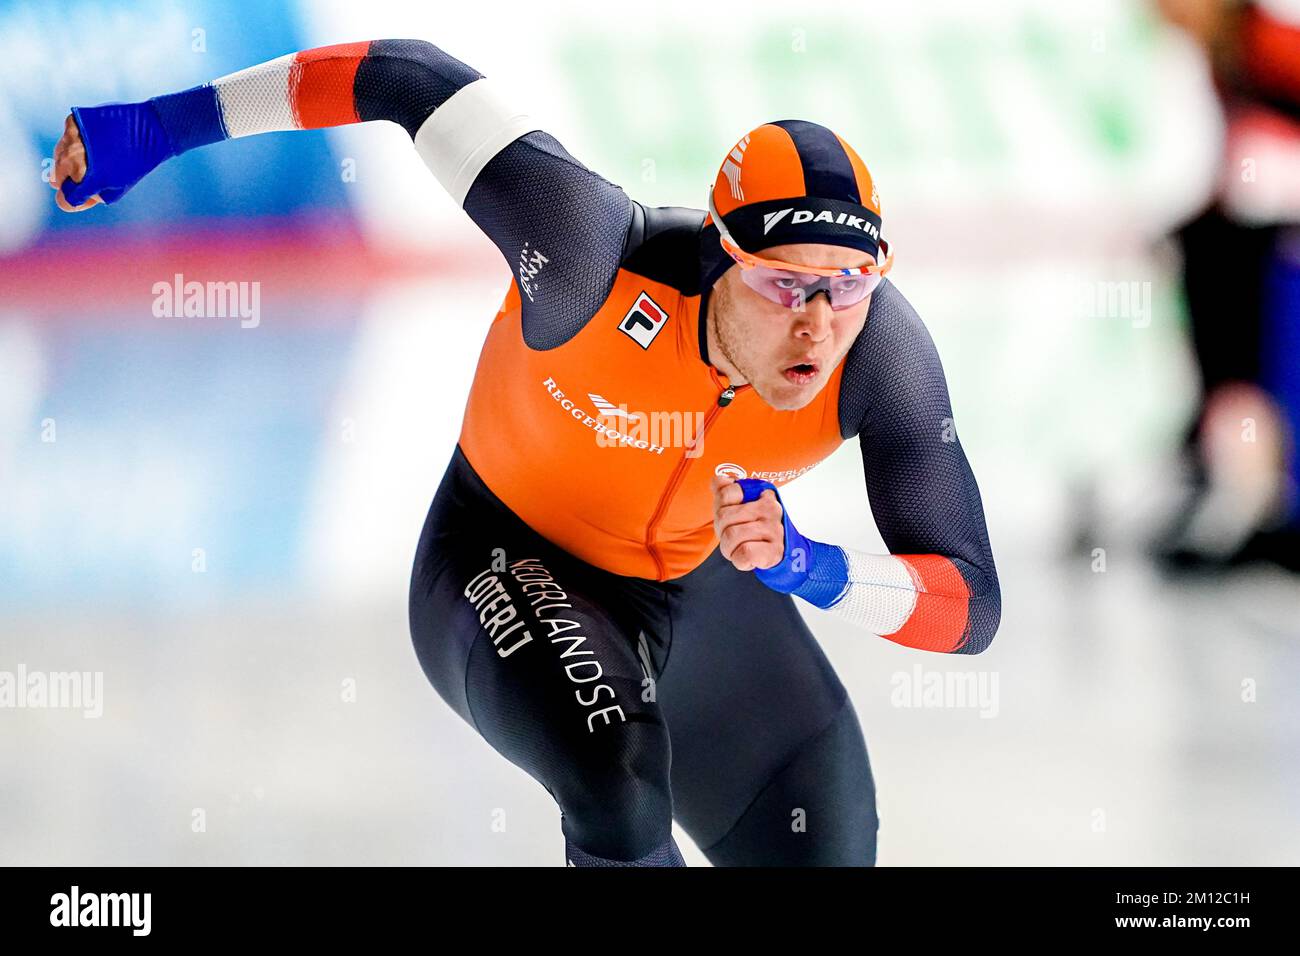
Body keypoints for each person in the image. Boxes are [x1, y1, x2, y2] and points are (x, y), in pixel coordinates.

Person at [51, 39, 1001, 866]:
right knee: (618, 783)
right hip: (503, 558)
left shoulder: (882, 353)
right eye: (783, 285)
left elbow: (971, 607)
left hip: (704, 588)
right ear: (720, 255)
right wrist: (150, 130)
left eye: (850, 285)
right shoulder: (586, 252)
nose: (819, 325)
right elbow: (402, 77)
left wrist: (811, 567)